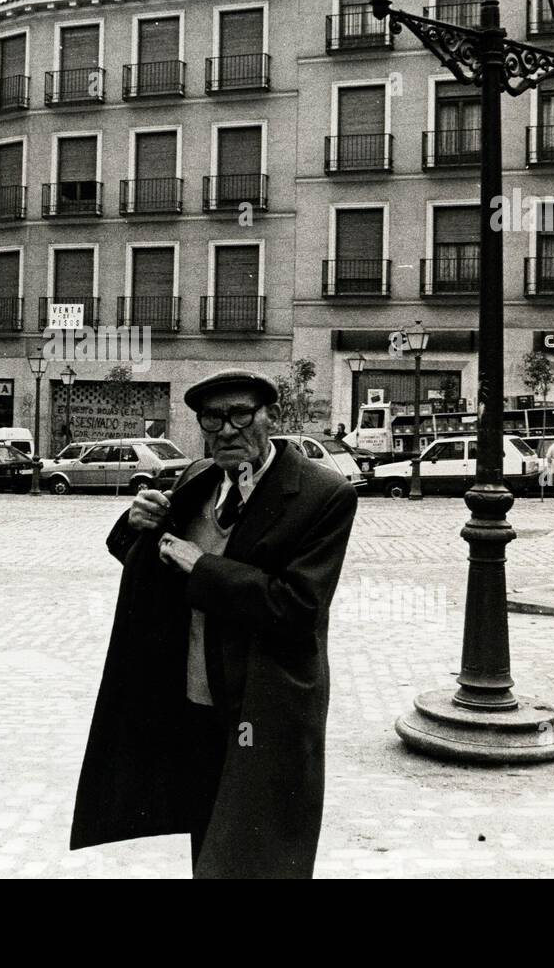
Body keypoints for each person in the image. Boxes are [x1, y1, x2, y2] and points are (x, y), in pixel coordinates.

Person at [71, 368, 359, 879]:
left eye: (240, 414)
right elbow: (148, 564)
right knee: (208, 831)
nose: (227, 429)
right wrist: (135, 523)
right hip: (197, 695)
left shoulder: (323, 494)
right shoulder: (196, 478)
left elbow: (298, 608)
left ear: (271, 416)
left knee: (264, 845)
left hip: (266, 703)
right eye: (212, 418)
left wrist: (199, 565)